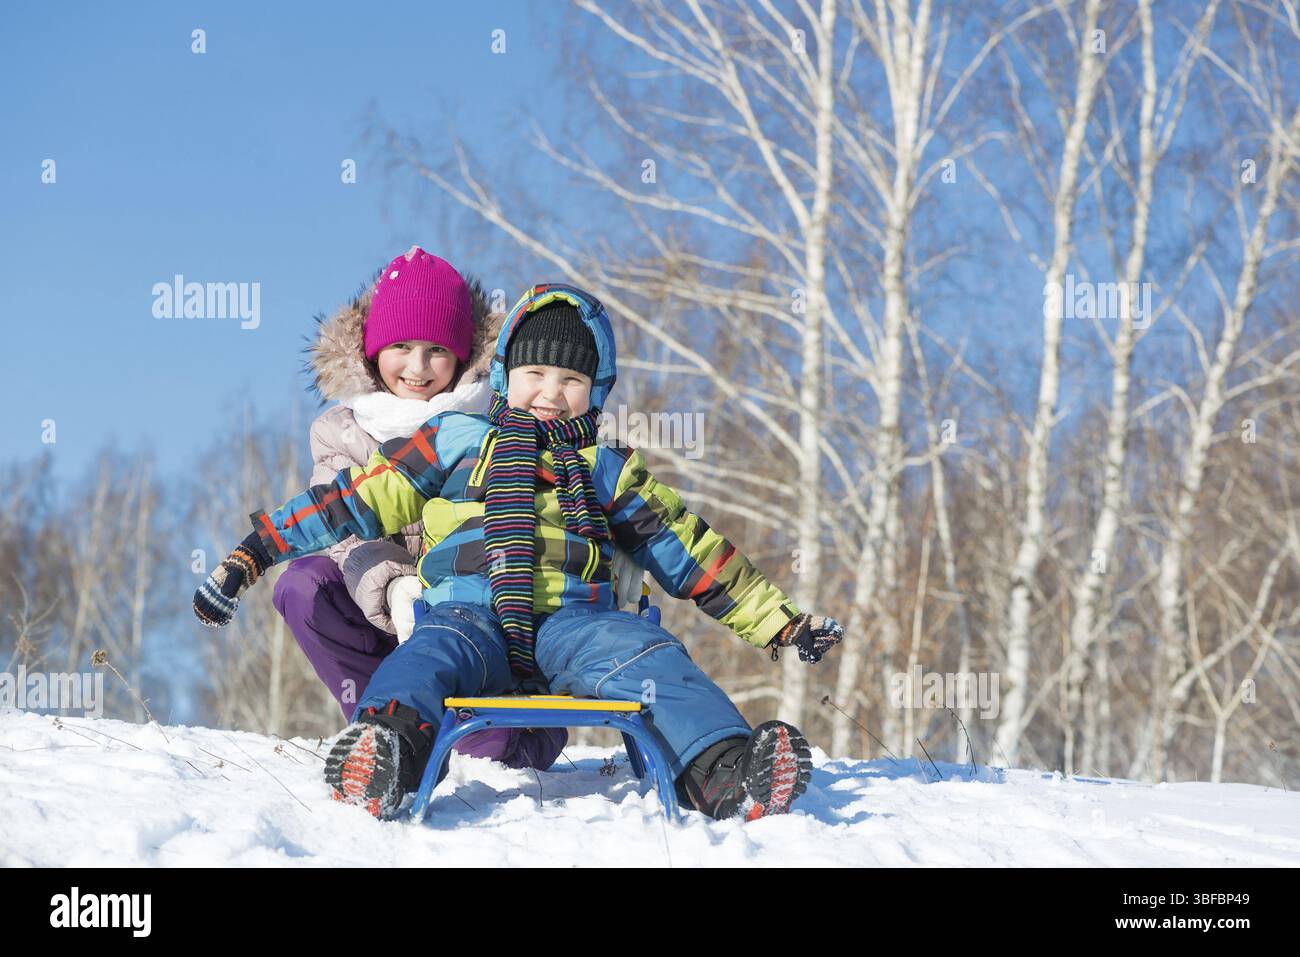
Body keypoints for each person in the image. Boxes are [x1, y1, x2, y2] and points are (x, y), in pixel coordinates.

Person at [195, 282, 844, 822]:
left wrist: (781, 620)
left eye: (571, 378)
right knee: (425, 657)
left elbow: (688, 550)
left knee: (650, 656)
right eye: (535, 372)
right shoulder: (457, 441)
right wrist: (255, 551)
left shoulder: (606, 469)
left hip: (578, 621)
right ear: (506, 375)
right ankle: (387, 752)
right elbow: (352, 501)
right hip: (466, 611)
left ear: (597, 387)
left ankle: (723, 767)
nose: (550, 391)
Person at [269, 246, 565, 770]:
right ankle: (379, 730)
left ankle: (509, 732)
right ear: (370, 350)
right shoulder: (343, 430)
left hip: (477, 620)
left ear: (464, 354)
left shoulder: (499, 422)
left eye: (436, 349)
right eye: (401, 345)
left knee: (487, 756)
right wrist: (395, 587)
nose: (418, 366)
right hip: (383, 615)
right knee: (303, 583)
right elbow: (340, 531)